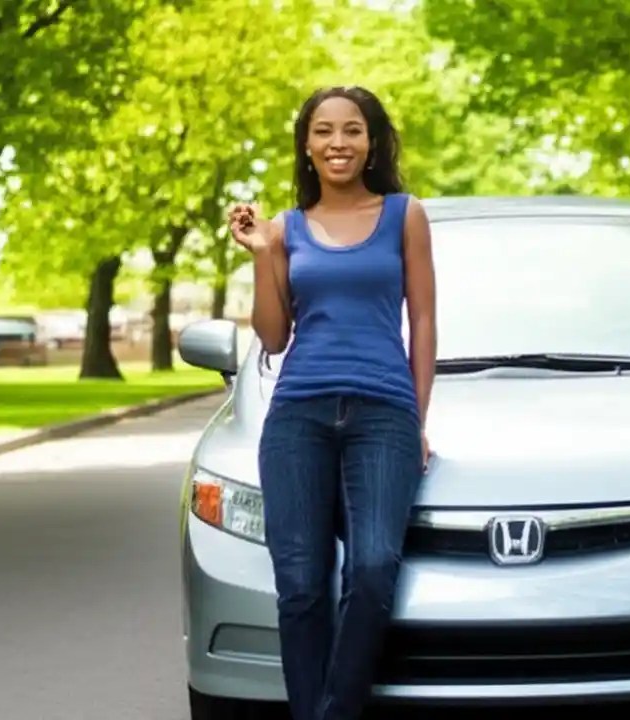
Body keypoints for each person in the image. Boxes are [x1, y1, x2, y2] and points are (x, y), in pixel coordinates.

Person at [226, 85, 436, 720]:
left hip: (383, 413)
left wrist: (418, 420)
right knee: (299, 586)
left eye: (352, 130)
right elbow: (272, 335)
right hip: (298, 417)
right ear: (307, 145)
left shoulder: (405, 214)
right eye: (323, 131)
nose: (338, 143)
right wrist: (264, 255)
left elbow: (423, 321)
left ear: (372, 141)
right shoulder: (285, 229)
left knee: (373, 570)